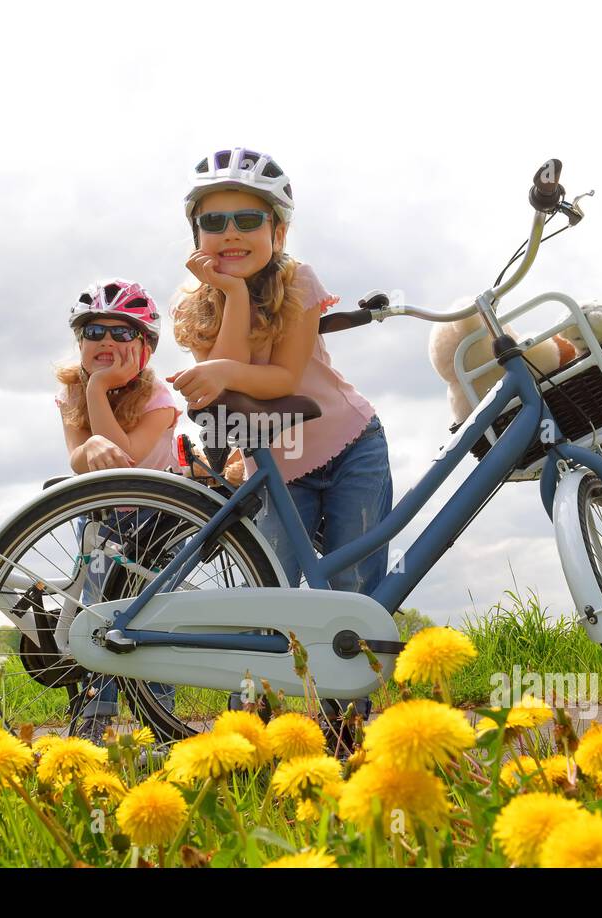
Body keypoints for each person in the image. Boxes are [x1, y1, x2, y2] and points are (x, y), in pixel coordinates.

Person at [167, 147, 394, 753]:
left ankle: (348, 727)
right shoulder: (193, 309)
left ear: (279, 229)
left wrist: (223, 364)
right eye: (214, 222)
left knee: (352, 586)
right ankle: (252, 730)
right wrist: (232, 295)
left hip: (347, 443)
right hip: (275, 464)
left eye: (249, 219)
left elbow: (280, 379)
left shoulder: (298, 281)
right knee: (265, 593)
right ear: (196, 237)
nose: (231, 233)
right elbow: (233, 373)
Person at [54, 279, 178, 743]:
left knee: (151, 616)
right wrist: (91, 398)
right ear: (80, 342)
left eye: (123, 334)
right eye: (95, 332)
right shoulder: (70, 393)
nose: (107, 341)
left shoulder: (158, 399)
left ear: (145, 347)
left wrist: (101, 388)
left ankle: (159, 724)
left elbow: (123, 459)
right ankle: (92, 723)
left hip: (157, 521)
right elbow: (78, 460)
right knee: (97, 615)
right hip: (100, 519)